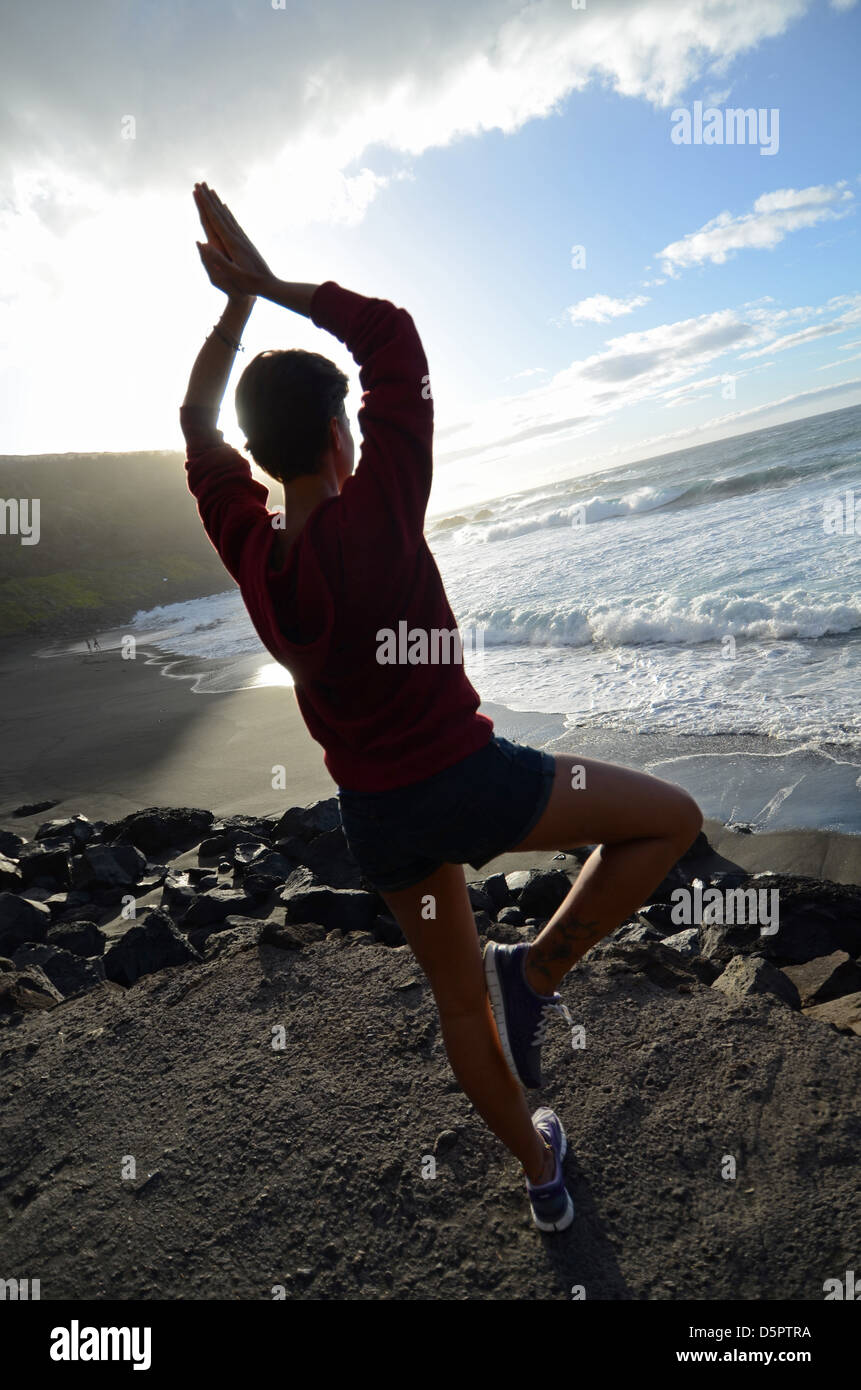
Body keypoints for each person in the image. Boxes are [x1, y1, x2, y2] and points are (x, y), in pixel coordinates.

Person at [181, 183, 703, 1234]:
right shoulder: (380, 508)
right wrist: (262, 287)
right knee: (670, 819)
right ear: (340, 435)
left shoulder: (250, 547)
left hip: (376, 819)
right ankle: (545, 969)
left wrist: (231, 315)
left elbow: (198, 420)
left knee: (460, 1002)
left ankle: (540, 1177)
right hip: (473, 782)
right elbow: (394, 335)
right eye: (347, 424)